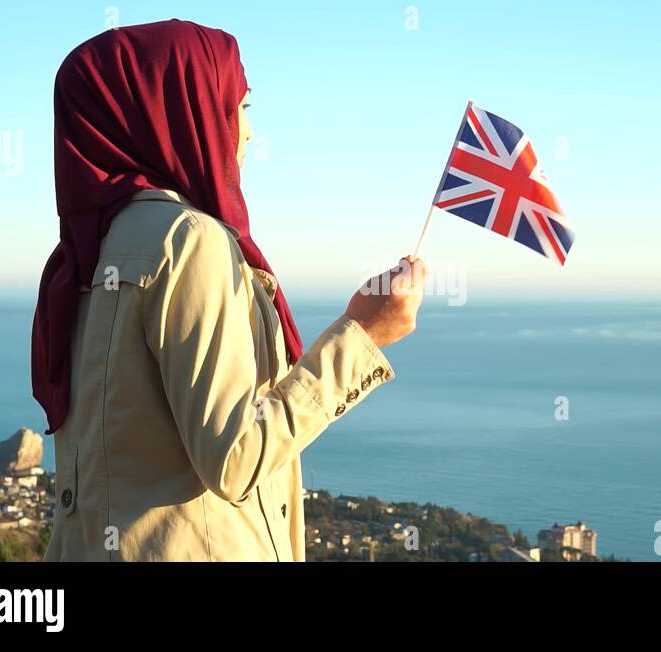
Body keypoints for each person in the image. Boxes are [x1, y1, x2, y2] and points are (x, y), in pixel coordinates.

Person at [31, 19, 427, 561]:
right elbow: (236, 456)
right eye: (240, 105)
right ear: (180, 109)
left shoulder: (86, 252)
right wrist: (362, 337)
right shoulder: (189, 242)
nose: (248, 131)